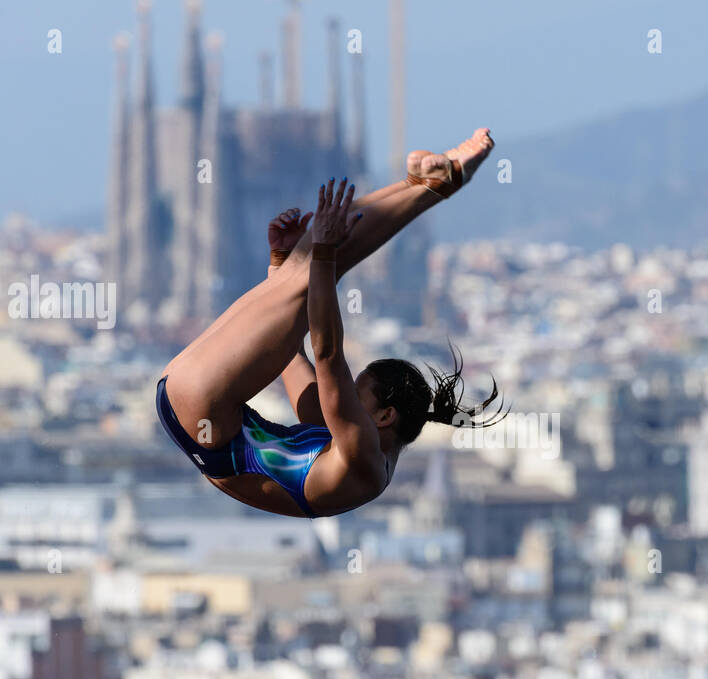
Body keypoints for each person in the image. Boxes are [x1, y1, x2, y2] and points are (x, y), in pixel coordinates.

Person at [156, 129, 504, 518]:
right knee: (308, 268)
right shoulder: (345, 443)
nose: (344, 395)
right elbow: (290, 356)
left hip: (204, 409)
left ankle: (435, 185)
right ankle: (421, 184)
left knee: (317, 266)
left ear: (386, 416)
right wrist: (282, 266)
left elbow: (328, 354)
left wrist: (321, 251)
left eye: (357, 392)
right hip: (196, 411)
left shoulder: (364, 460)